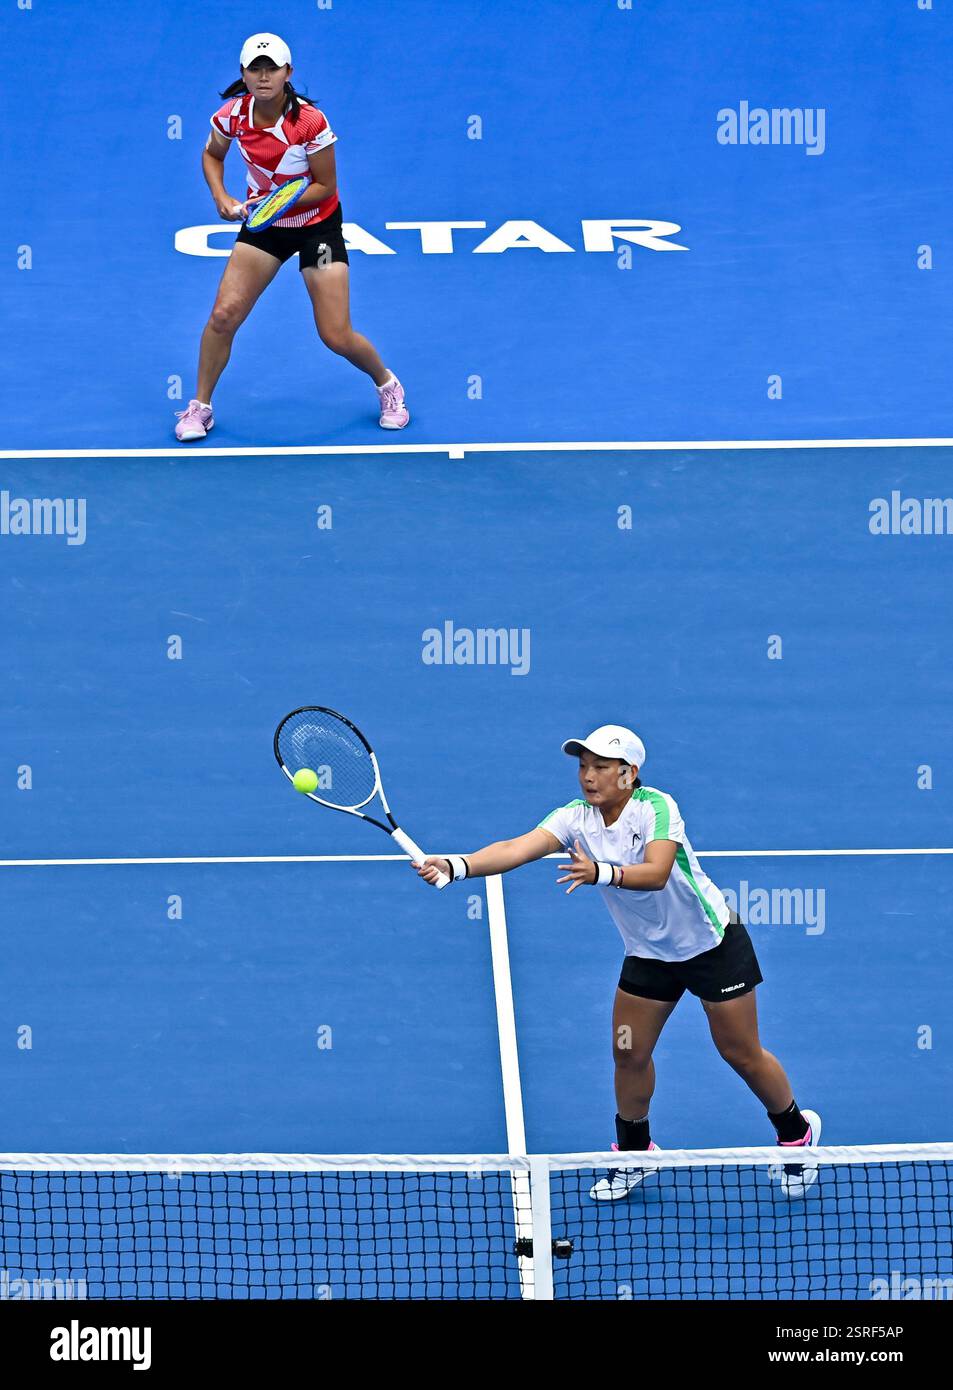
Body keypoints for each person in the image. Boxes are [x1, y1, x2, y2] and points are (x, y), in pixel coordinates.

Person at [415, 724, 821, 1200]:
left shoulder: (657, 809)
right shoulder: (575, 818)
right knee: (628, 1053)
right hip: (649, 953)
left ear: (629, 774)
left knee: (740, 1053)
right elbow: (517, 847)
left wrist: (599, 873)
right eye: (584, 766)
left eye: (601, 767)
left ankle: (797, 1135)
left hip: (712, 946)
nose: (588, 776)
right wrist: (456, 865)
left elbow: (656, 873)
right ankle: (634, 1153)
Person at [175, 32, 408, 442]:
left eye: (272, 69)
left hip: (316, 228)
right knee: (223, 316)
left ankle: (387, 384)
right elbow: (212, 154)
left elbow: (325, 186)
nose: (264, 77)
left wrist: (274, 204)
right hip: (266, 230)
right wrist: (222, 197)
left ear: (288, 73)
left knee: (335, 333)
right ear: (244, 75)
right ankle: (201, 406)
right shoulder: (231, 116)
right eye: (255, 69)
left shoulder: (309, 122)